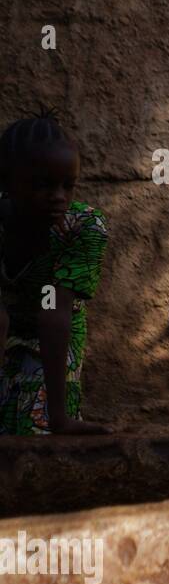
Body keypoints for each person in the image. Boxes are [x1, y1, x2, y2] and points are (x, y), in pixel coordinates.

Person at [0, 109, 110, 436]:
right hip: (5, 323)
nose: (58, 197)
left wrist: (59, 418)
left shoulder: (83, 228)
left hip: (53, 336)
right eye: (43, 185)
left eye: (68, 186)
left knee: (33, 426)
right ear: (6, 183)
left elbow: (53, 314)